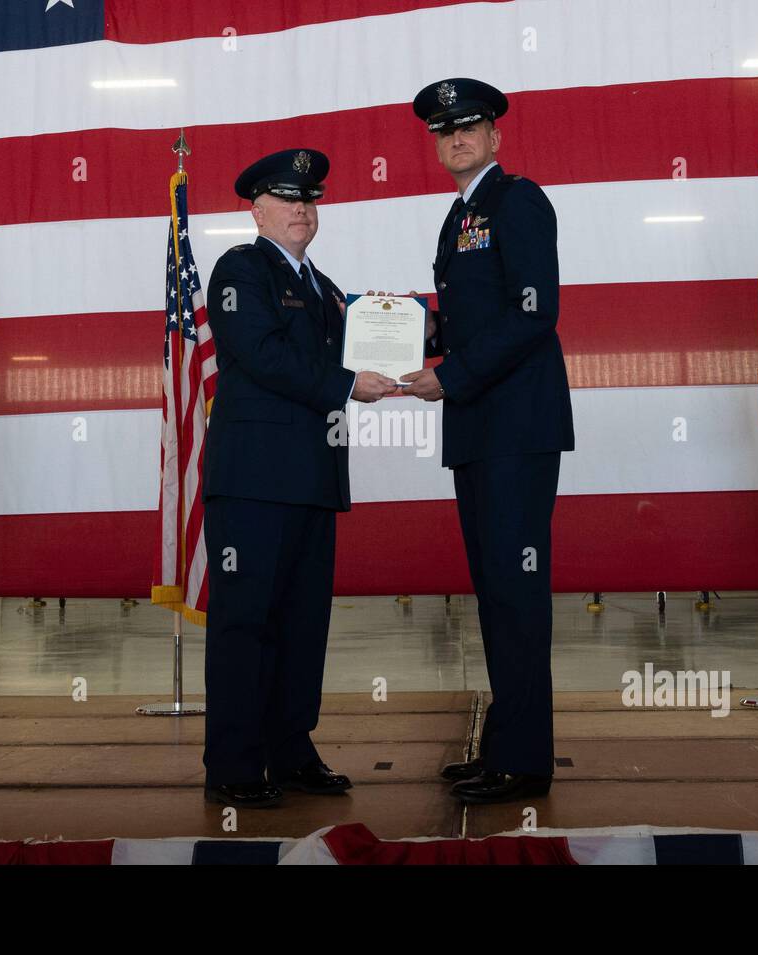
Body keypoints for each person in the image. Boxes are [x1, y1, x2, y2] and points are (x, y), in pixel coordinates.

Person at [201, 148, 396, 808]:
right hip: (254, 480)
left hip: (312, 478)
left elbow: (369, 343)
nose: (301, 209)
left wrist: (429, 330)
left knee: (302, 623)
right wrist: (347, 383)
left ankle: (290, 748)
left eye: (310, 199)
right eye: (287, 198)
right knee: (244, 621)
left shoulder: (326, 288)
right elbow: (260, 355)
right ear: (255, 209)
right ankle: (233, 761)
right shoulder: (239, 269)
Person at [402, 79, 575, 803]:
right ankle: (505, 743)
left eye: (469, 127)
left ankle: (526, 759)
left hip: (514, 426)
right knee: (495, 592)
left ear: (495, 136)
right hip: (476, 425)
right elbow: (474, 317)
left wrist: (454, 372)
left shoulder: (518, 202)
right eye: (445, 131)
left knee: (517, 590)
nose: (456, 138)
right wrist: (415, 326)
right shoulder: (456, 218)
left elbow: (536, 312)